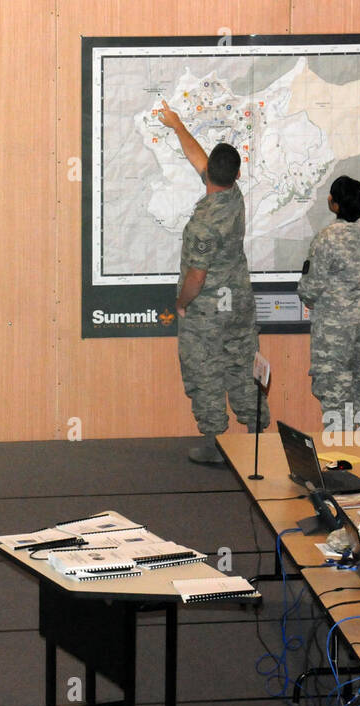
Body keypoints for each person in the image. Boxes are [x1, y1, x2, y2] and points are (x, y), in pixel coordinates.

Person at [158, 101, 267, 466]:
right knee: (240, 364)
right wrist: (177, 126)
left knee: (204, 369)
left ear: (211, 176)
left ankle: (216, 444)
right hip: (237, 304)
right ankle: (256, 438)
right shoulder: (235, 199)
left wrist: (183, 303)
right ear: (235, 176)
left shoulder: (202, 222)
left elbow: (197, 276)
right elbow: (201, 160)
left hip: (205, 310)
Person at [297, 176, 360, 427]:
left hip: (334, 327)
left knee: (335, 390)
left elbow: (312, 286)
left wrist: (309, 297)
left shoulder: (327, 238)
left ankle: (341, 455)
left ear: (334, 204)